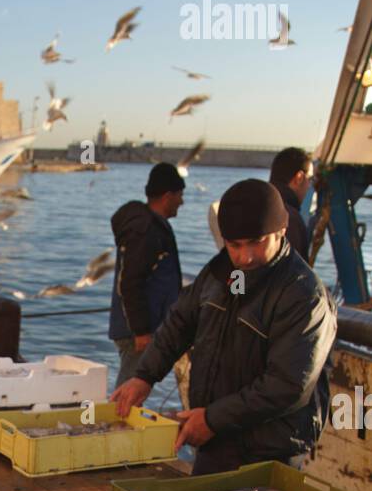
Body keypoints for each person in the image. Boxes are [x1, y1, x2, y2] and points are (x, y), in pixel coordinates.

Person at [112, 178, 336, 475]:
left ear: (281, 231)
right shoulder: (222, 273)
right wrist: (145, 375)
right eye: (235, 245)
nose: (246, 256)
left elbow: (288, 385)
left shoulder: (303, 296)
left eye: (258, 242)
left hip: (267, 452)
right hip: (215, 440)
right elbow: (180, 321)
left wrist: (213, 419)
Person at [108, 162, 185, 386]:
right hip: (137, 331)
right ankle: (115, 422)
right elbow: (130, 282)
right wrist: (141, 331)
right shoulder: (147, 232)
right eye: (180, 195)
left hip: (141, 326)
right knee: (129, 389)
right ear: (167, 196)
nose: (182, 201)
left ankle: (120, 420)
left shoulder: (150, 227)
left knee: (135, 387)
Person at [269, 147, 313, 262]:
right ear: (299, 178)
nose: (309, 185)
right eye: (310, 179)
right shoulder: (290, 219)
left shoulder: (258, 206)